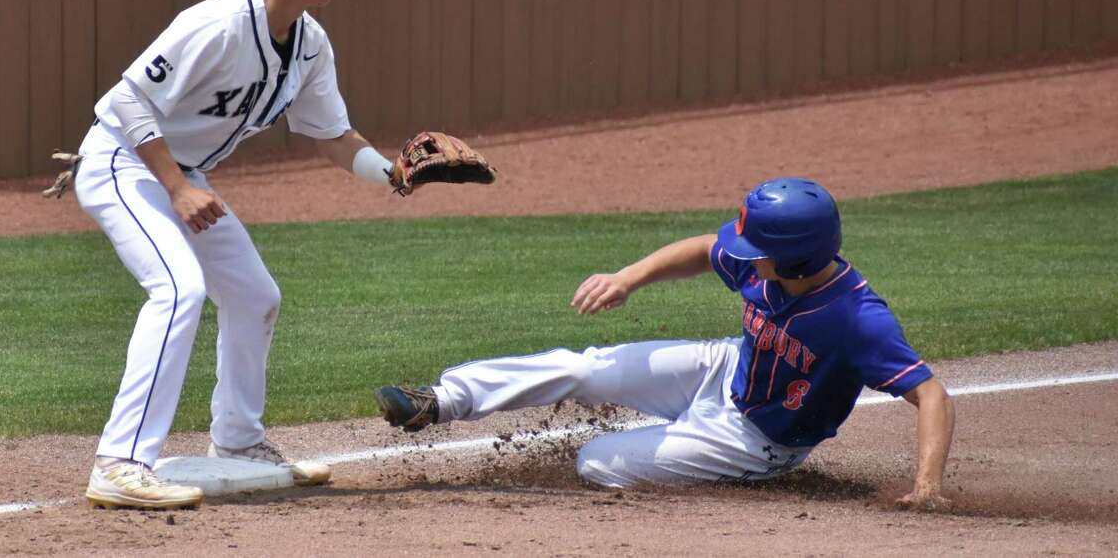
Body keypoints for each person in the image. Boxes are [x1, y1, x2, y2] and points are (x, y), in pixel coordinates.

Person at [74, 0, 406, 510]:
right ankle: (120, 461)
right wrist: (176, 187)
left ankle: (238, 444)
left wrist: (394, 173)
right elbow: (124, 101)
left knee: (256, 296)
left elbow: (332, 134)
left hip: (182, 174)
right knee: (178, 290)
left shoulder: (309, 44)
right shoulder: (218, 23)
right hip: (123, 162)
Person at [376, 177, 955, 508]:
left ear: (798, 256)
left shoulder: (858, 320)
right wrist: (627, 278)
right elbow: (706, 248)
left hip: (760, 439)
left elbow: (931, 394)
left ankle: (693, 452)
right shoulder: (770, 263)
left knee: (596, 463)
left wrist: (926, 486)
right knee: (587, 370)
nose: (746, 255)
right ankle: (440, 399)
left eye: (759, 250)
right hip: (721, 366)